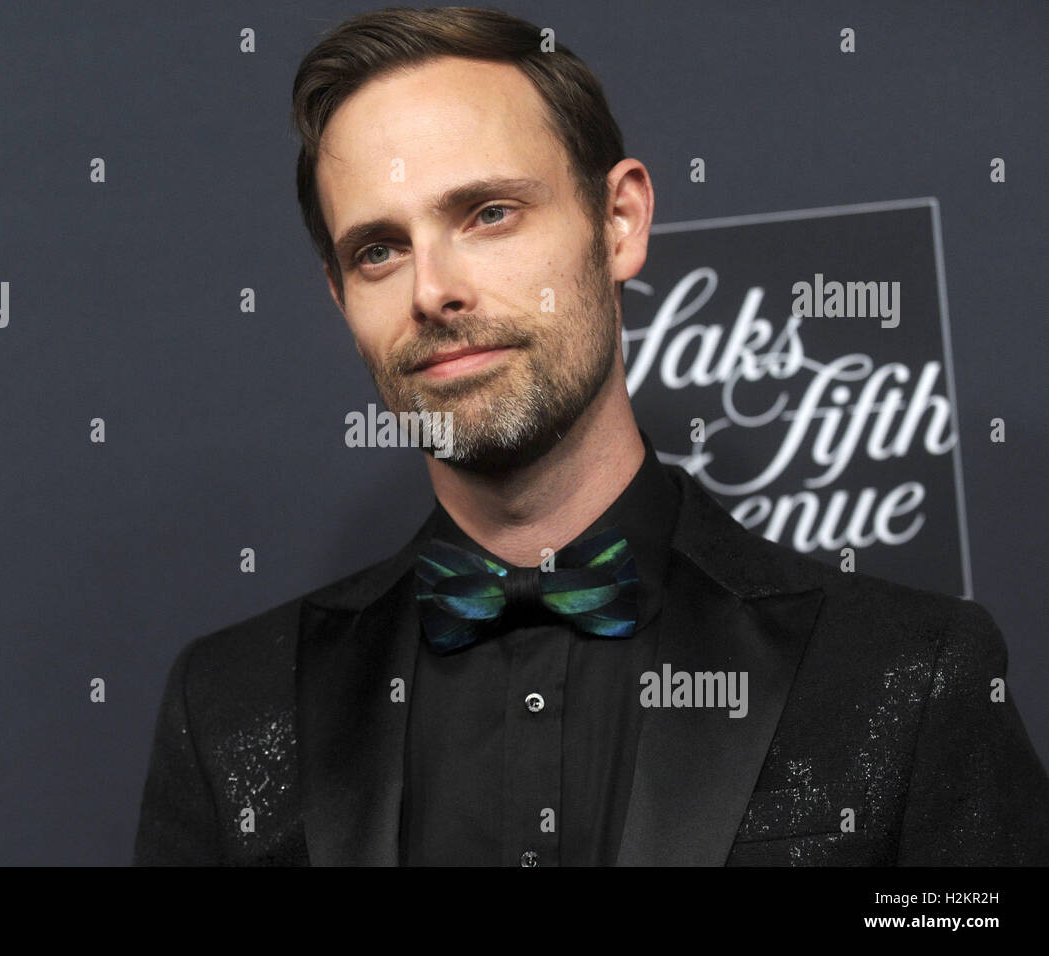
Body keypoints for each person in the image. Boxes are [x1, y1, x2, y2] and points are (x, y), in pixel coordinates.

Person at [133, 6, 1049, 866]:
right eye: (379, 249)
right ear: (341, 298)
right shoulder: (232, 708)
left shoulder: (907, 674)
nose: (432, 290)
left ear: (620, 223)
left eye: (487, 214)